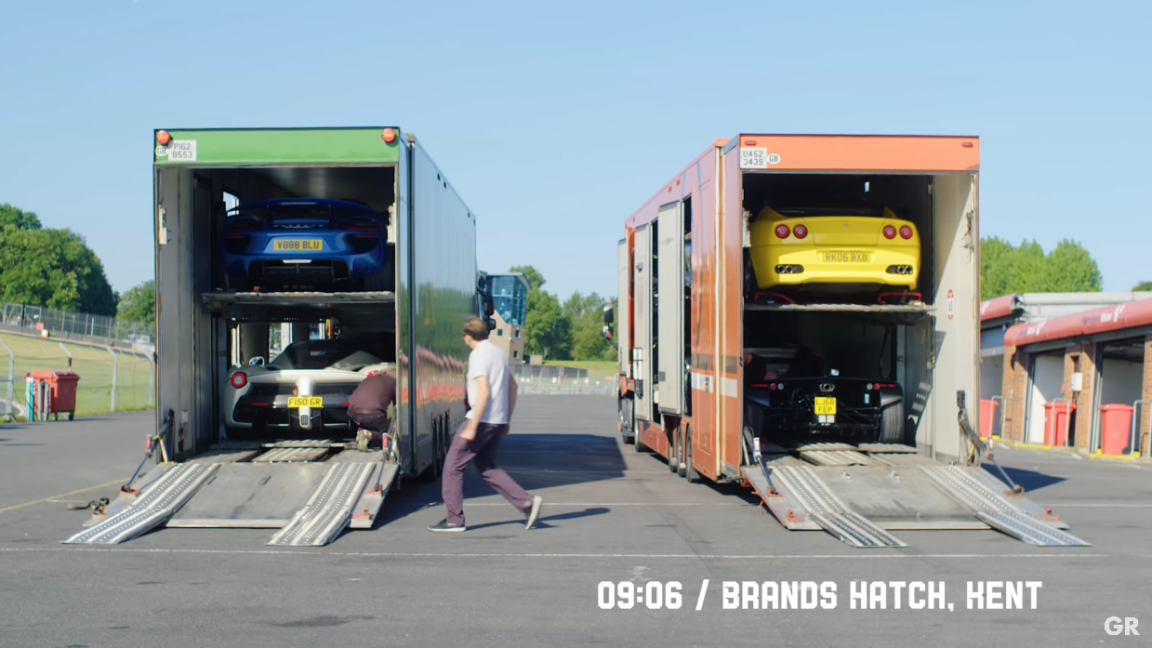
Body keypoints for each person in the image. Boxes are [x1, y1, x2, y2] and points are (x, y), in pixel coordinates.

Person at [429, 316, 543, 533]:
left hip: (480, 419)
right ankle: (526, 503)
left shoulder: (478, 355)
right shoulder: (498, 352)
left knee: (453, 466)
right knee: (487, 466)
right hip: (497, 419)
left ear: (467, 336)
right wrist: (506, 419)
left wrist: (471, 427)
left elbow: (484, 391)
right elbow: (513, 387)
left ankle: (454, 519)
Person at [347, 368, 397, 452]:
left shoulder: (369, 379)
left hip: (352, 412)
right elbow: (398, 405)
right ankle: (369, 435)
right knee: (389, 436)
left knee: (367, 421)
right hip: (372, 414)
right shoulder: (393, 381)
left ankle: (361, 434)